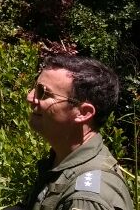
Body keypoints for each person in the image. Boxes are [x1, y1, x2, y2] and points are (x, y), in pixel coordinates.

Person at [7, 54, 134, 210]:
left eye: (43, 92)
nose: (29, 97)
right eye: (35, 87)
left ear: (83, 113)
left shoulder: (85, 200)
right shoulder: (63, 160)